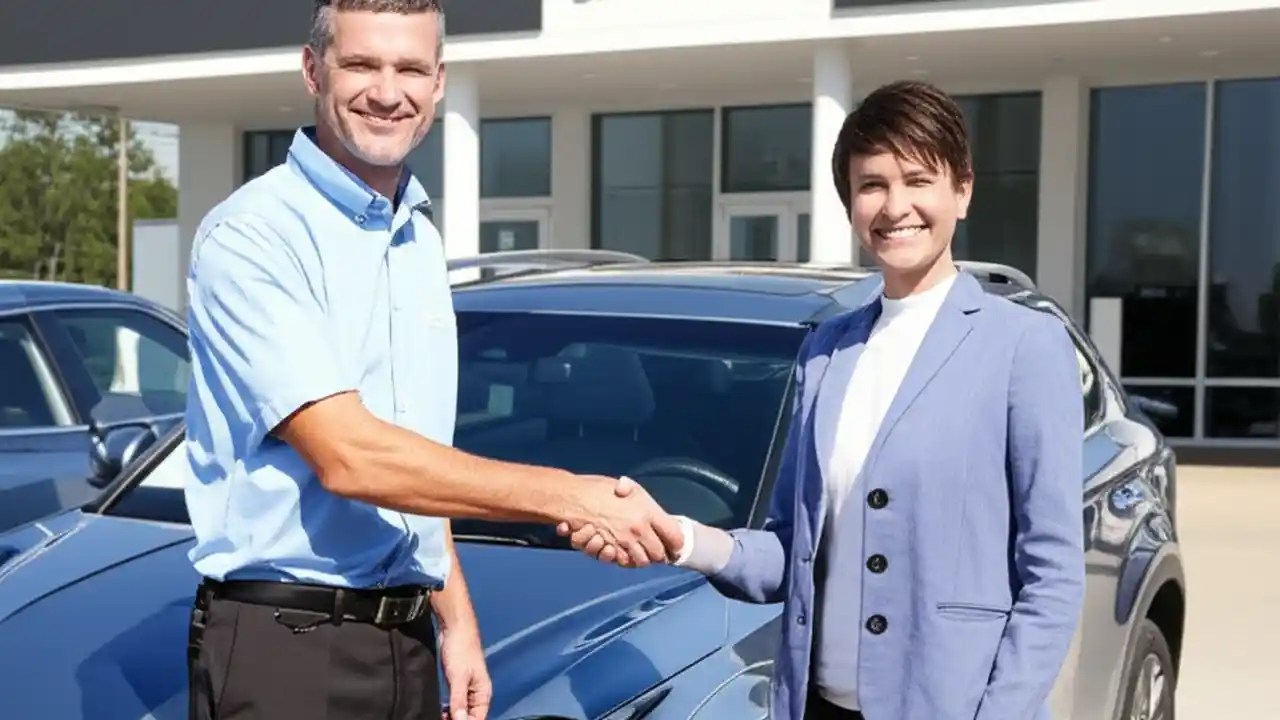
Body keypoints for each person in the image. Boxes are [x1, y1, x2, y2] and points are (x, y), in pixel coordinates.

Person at [182, 2, 678, 719]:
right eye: (362, 64)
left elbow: (413, 456)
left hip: (404, 642)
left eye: (410, 68)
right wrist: (571, 494)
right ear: (312, 69)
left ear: (439, 83)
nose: (389, 92)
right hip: (288, 647)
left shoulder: (415, 238)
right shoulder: (253, 237)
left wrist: (457, 623)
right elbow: (354, 458)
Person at [561, 80, 1086, 720]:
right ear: (850, 204)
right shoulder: (826, 350)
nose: (896, 206)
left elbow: (1052, 575)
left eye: (919, 180)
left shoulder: (1023, 345)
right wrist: (680, 537)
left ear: (963, 191)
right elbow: (791, 551)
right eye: (872, 185)